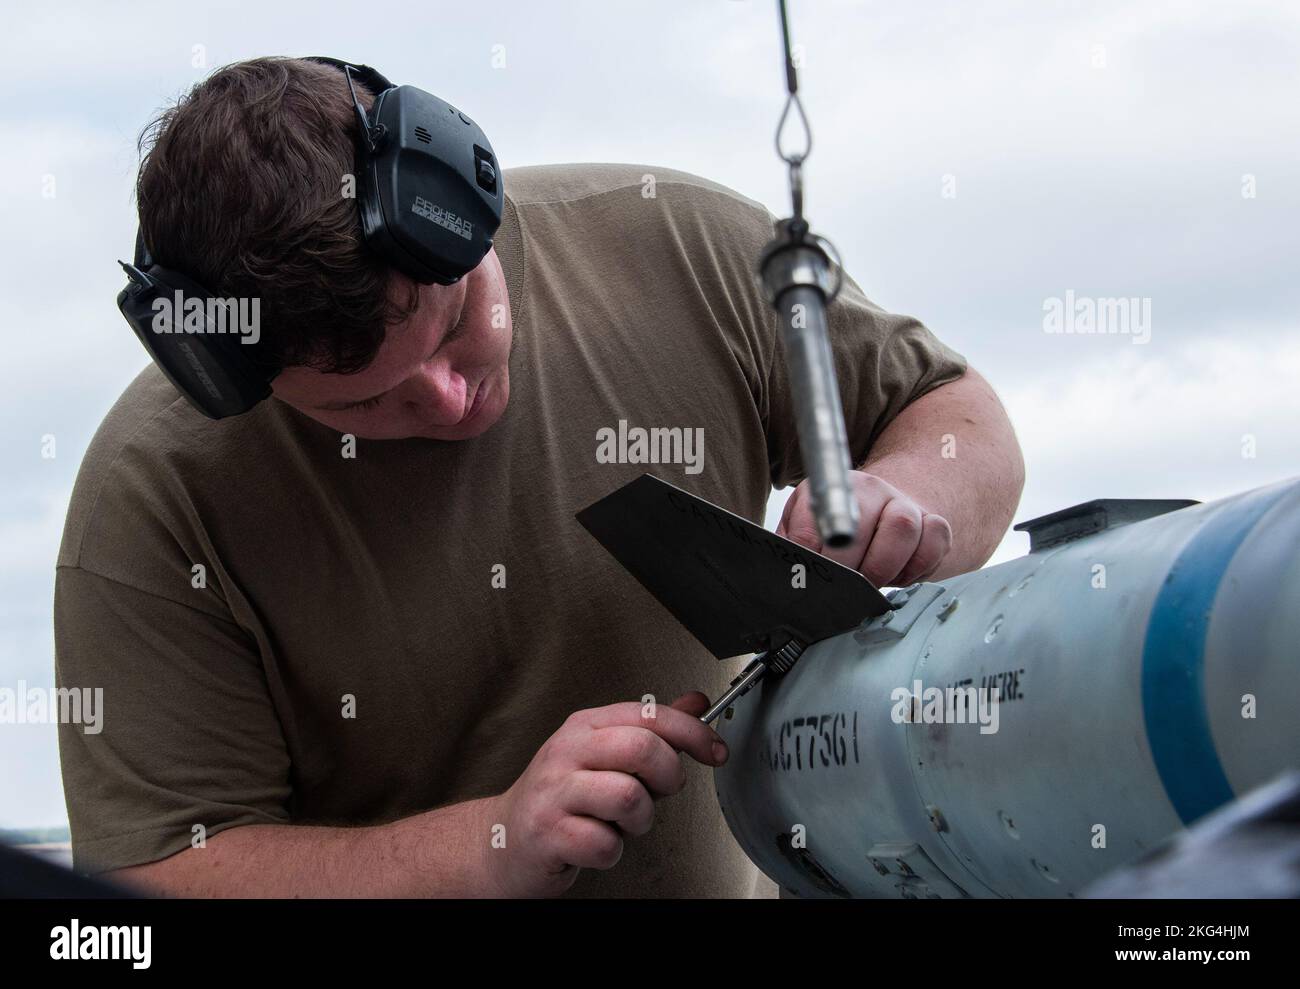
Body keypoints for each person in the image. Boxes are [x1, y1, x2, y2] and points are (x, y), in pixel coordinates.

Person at [54, 56, 1024, 897]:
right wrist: (490, 844)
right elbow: (155, 874)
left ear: (459, 191)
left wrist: (911, 499)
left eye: (458, 321)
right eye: (369, 401)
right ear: (240, 379)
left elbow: (951, 410)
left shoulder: (681, 248)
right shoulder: (158, 495)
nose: (450, 398)